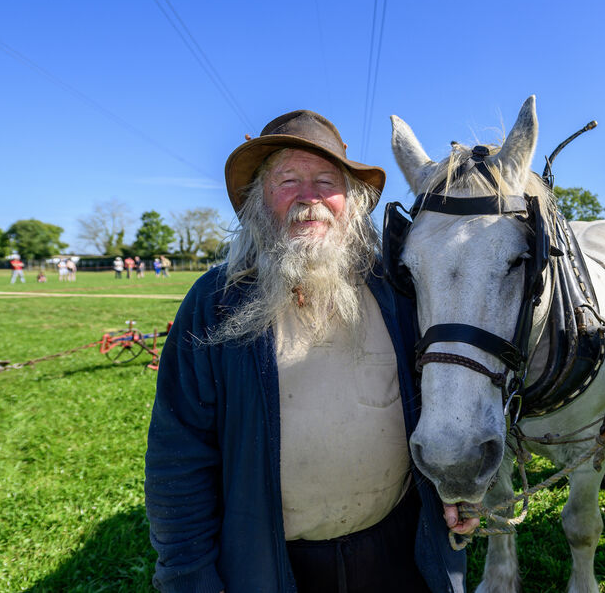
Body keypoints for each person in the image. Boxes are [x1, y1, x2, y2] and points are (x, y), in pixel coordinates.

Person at [144, 110, 465, 593]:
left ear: (352, 203)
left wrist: (457, 489)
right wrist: (188, 576)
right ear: (257, 202)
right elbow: (179, 455)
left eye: (325, 181)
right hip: (275, 567)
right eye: (287, 179)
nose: (309, 197)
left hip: (399, 551)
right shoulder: (215, 302)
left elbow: (443, 399)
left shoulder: (398, 293)